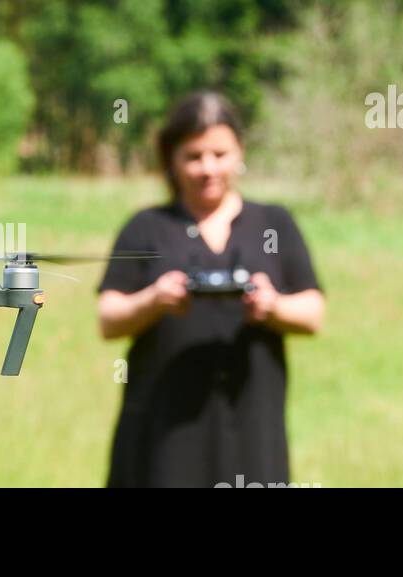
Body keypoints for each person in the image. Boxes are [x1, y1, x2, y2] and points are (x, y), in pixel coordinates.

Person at [97, 91, 325, 488]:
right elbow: (108, 319)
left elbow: (313, 313)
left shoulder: (273, 223)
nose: (208, 168)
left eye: (220, 154)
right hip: (162, 430)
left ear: (240, 153)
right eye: (193, 156)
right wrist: (154, 300)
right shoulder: (146, 227)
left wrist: (272, 306)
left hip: (252, 425)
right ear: (171, 159)